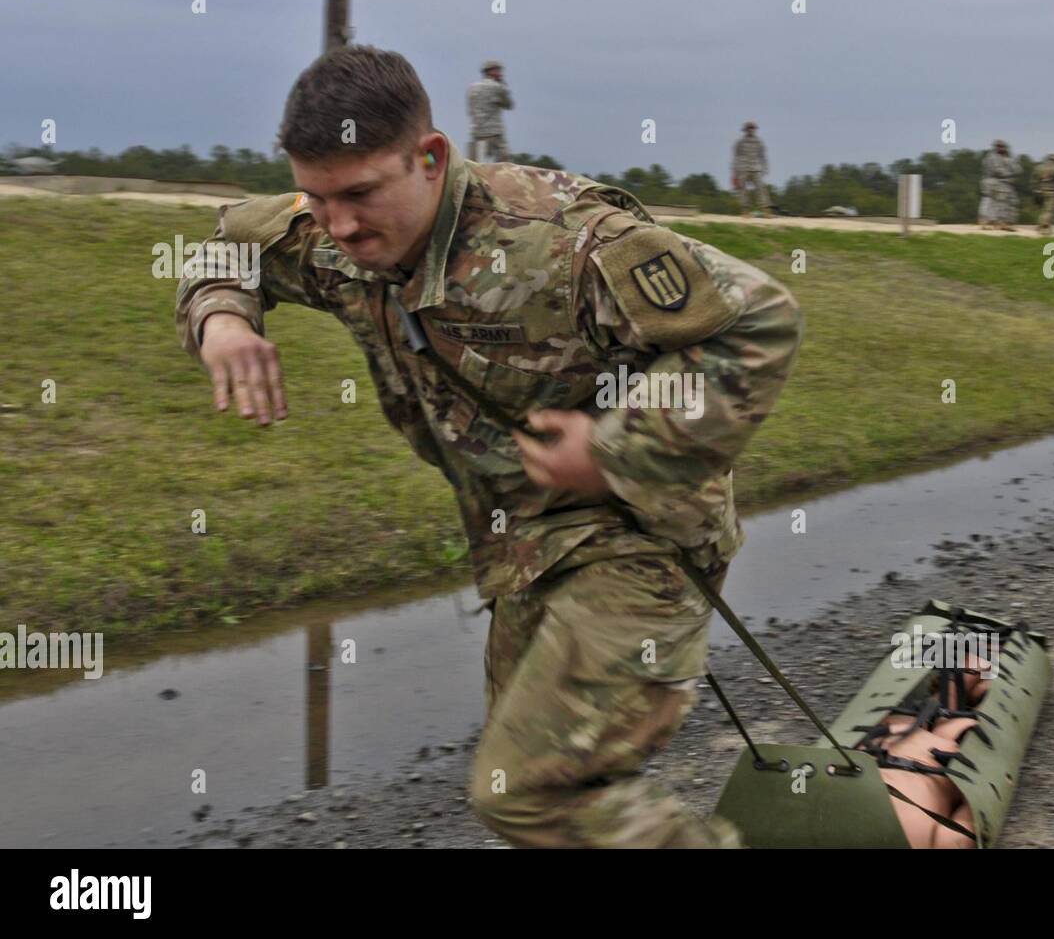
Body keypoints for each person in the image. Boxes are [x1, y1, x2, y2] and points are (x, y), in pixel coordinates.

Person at [174, 45, 804, 848]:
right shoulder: (333, 235)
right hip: (524, 551)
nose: (338, 225)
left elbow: (759, 321)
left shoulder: (565, 240)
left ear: (431, 158)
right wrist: (223, 321)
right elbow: (225, 242)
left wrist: (619, 448)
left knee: (529, 794)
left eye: (361, 194)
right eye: (318, 196)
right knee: (540, 789)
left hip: (639, 542)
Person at [466, 59, 513, 162]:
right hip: (495, 133)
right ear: (491, 71)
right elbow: (509, 105)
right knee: (505, 163)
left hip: (477, 132)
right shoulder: (497, 87)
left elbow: (470, 111)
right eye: (498, 70)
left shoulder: (473, 88)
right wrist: (504, 85)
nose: (501, 74)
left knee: (474, 165)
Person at [731, 121, 771, 217]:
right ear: (745, 130)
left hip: (756, 168)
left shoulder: (759, 142)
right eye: (749, 128)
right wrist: (734, 172)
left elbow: (763, 156)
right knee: (742, 190)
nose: (751, 130)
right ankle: (745, 211)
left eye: (752, 128)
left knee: (761, 189)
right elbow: (735, 157)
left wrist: (765, 168)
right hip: (743, 169)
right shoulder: (739, 142)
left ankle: (766, 211)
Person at [980, 140, 1021, 231]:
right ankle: (985, 222)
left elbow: (1018, 169)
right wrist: (1009, 174)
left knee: (1003, 203)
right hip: (991, 181)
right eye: (1000, 146)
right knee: (989, 202)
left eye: (1003, 147)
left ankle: (1002, 222)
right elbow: (997, 170)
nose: (1002, 148)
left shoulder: (1007, 158)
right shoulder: (991, 157)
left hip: (1003, 183)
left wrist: (1009, 161)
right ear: (996, 147)